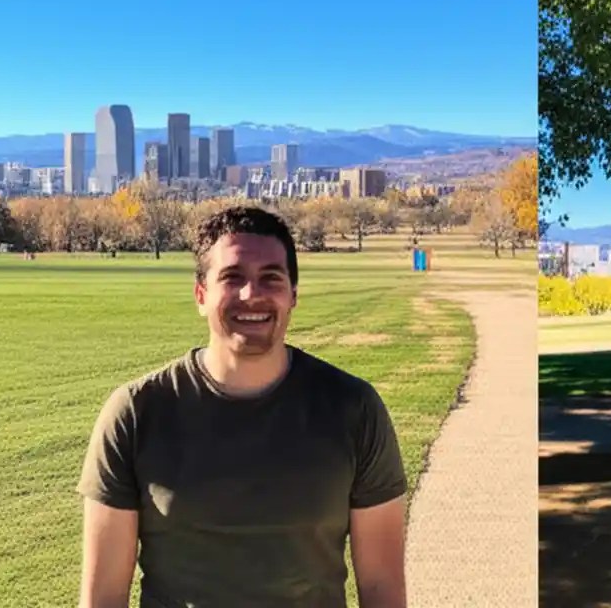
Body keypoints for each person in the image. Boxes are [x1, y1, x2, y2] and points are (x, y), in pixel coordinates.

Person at [78, 206, 407, 608]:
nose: (252, 294)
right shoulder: (135, 413)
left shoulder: (354, 409)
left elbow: (381, 588)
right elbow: (104, 597)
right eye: (232, 278)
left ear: (293, 295)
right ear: (201, 295)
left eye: (271, 278)